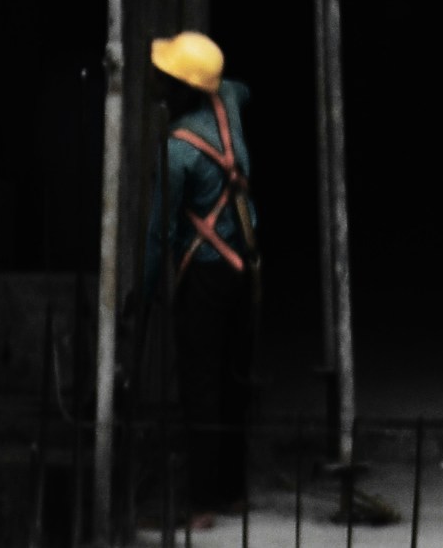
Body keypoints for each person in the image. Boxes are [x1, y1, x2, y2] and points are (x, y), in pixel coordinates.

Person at [145, 30, 256, 527]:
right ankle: (234, 492)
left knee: (201, 387)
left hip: (205, 280)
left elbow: (160, 233)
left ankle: (203, 502)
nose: (160, 85)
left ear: (186, 89)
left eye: (168, 80)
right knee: (235, 380)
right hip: (245, 271)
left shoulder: (178, 151)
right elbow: (239, 87)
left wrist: (148, 291)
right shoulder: (229, 99)